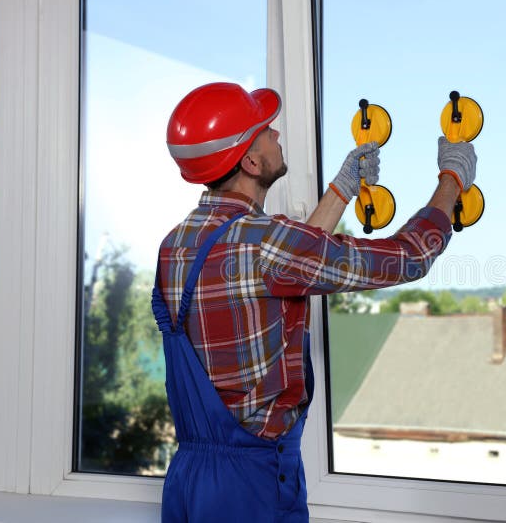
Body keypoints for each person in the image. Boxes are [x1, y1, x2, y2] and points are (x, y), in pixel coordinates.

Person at [152, 82, 476, 523]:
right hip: (252, 486)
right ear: (250, 162)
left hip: (189, 480)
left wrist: (342, 189)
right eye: (265, 131)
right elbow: (408, 258)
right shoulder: (266, 243)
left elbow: (286, 270)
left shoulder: (175, 244)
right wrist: (452, 180)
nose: (276, 134)